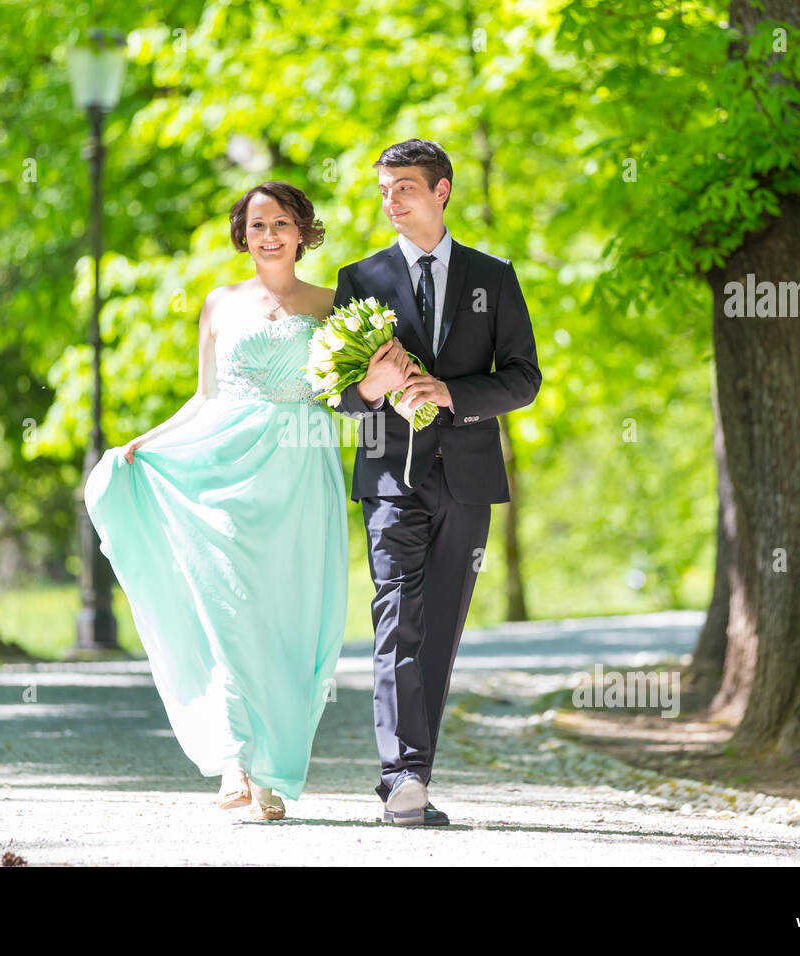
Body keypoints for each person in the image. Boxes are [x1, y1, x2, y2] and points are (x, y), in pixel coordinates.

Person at [83, 182, 348, 821]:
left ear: (302, 231)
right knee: (229, 607)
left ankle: (272, 771)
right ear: (242, 234)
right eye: (257, 225)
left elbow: (354, 390)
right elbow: (206, 398)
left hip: (301, 470)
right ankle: (236, 759)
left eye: (281, 223)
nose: (269, 235)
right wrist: (145, 443)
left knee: (288, 616)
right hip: (226, 471)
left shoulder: (334, 303)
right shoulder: (219, 303)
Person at [328, 139, 542, 825]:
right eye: (384, 189)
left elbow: (523, 379)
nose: (391, 200)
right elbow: (341, 397)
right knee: (397, 617)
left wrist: (451, 394)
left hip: (469, 478)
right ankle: (402, 778)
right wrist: (372, 386)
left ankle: (415, 771)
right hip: (390, 478)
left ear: (441, 190)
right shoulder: (360, 278)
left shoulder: (493, 277)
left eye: (405, 187)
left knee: (441, 626)